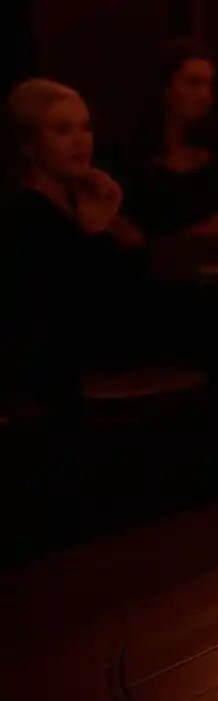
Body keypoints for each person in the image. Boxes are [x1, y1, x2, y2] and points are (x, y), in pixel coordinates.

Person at [1, 79, 137, 518]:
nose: (80, 141)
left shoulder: (74, 210)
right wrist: (98, 234)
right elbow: (86, 310)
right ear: (29, 144)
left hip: (88, 357)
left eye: (85, 127)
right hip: (55, 375)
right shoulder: (27, 217)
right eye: (62, 130)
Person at [111, 39, 218, 271]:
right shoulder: (128, 156)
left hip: (213, 276)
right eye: (193, 83)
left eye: (209, 85)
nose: (205, 95)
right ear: (165, 88)